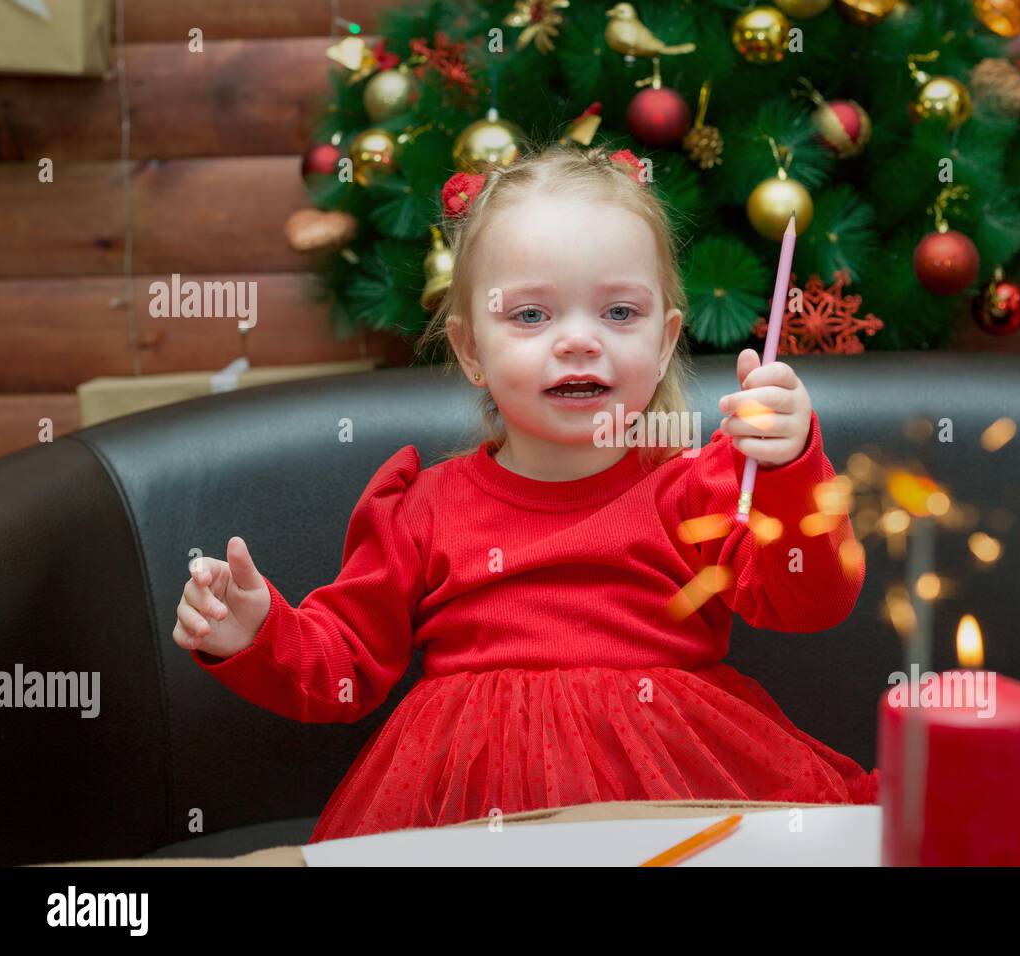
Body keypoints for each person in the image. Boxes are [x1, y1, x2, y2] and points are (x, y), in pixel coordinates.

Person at [172, 144, 877, 844]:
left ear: (665, 343)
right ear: (472, 350)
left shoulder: (703, 485)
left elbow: (809, 601)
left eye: (620, 314)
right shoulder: (422, 506)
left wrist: (787, 469)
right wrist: (259, 634)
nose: (578, 341)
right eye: (532, 316)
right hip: (467, 815)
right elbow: (344, 666)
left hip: (675, 796)